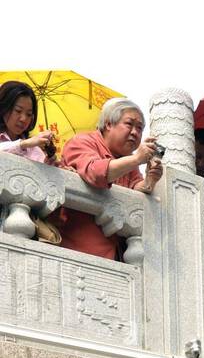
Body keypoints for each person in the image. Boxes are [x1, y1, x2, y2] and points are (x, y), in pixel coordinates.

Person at [60, 98, 162, 260]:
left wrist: (150, 180)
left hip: (118, 253)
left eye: (140, 128)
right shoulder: (82, 141)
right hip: (78, 248)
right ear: (108, 124)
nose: (135, 132)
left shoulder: (127, 159)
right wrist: (136, 159)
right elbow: (94, 173)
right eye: (129, 124)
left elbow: (136, 188)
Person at [0, 80, 56, 163]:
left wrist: (49, 164)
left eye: (29, 114)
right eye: (18, 111)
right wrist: (23, 144)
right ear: (4, 108)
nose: (23, 119)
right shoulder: (29, 143)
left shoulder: (34, 149)